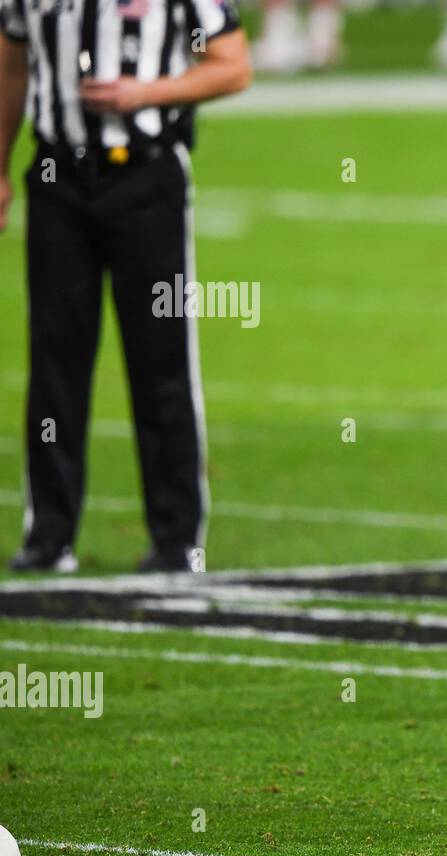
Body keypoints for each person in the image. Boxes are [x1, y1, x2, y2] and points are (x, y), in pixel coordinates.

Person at [0, 0, 252, 573]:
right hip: (56, 177)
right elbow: (11, 63)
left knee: (162, 361)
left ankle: (175, 539)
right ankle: (48, 535)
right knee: (54, 362)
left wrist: (148, 93)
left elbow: (233, 64)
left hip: (146, 175)